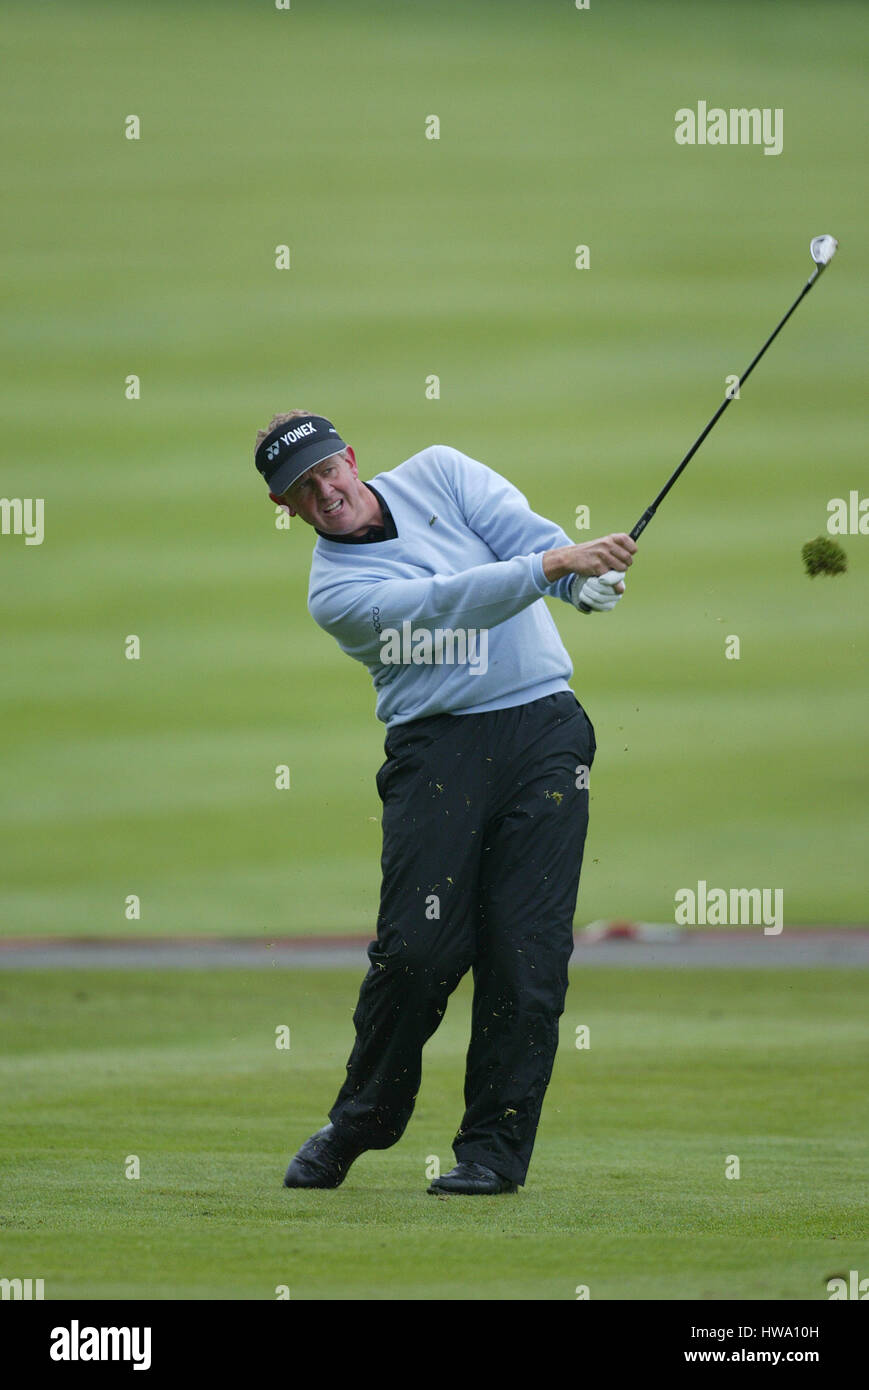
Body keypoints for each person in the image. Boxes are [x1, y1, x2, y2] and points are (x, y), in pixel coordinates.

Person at [254, 410, 636, 1194]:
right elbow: (446, 602)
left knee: (527, 956)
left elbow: (530, 541)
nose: (325, 490)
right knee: (417, 952)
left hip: (544, 733)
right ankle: (361, 1120)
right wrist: (554, 565)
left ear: (351, 458)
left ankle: (492, 1154)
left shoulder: (441, 471)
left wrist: (584, 583)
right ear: (285, 509)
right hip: (438, 753)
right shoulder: (338, 593)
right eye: (302, 488)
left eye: (328, 469)